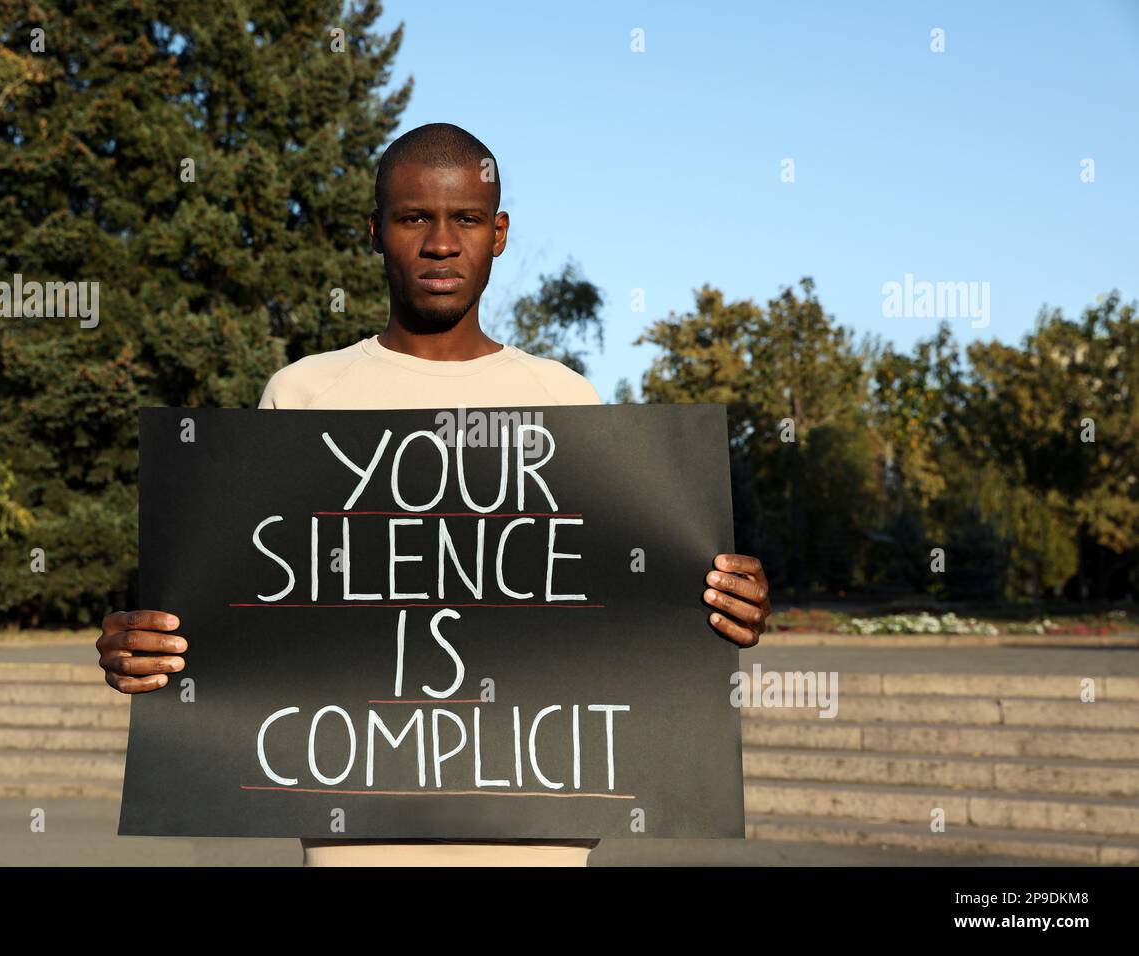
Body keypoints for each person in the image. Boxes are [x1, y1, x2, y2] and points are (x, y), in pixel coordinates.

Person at [97, 123, 773, 866]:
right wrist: (148, 649)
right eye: (414, 217)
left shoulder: (568, 401)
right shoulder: (302, 397)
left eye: (467, 219)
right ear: (376, 231)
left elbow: (621, 613)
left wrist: (719, 607)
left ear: (500, 232)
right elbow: (250, 621)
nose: (441, 243)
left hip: (540, 840)